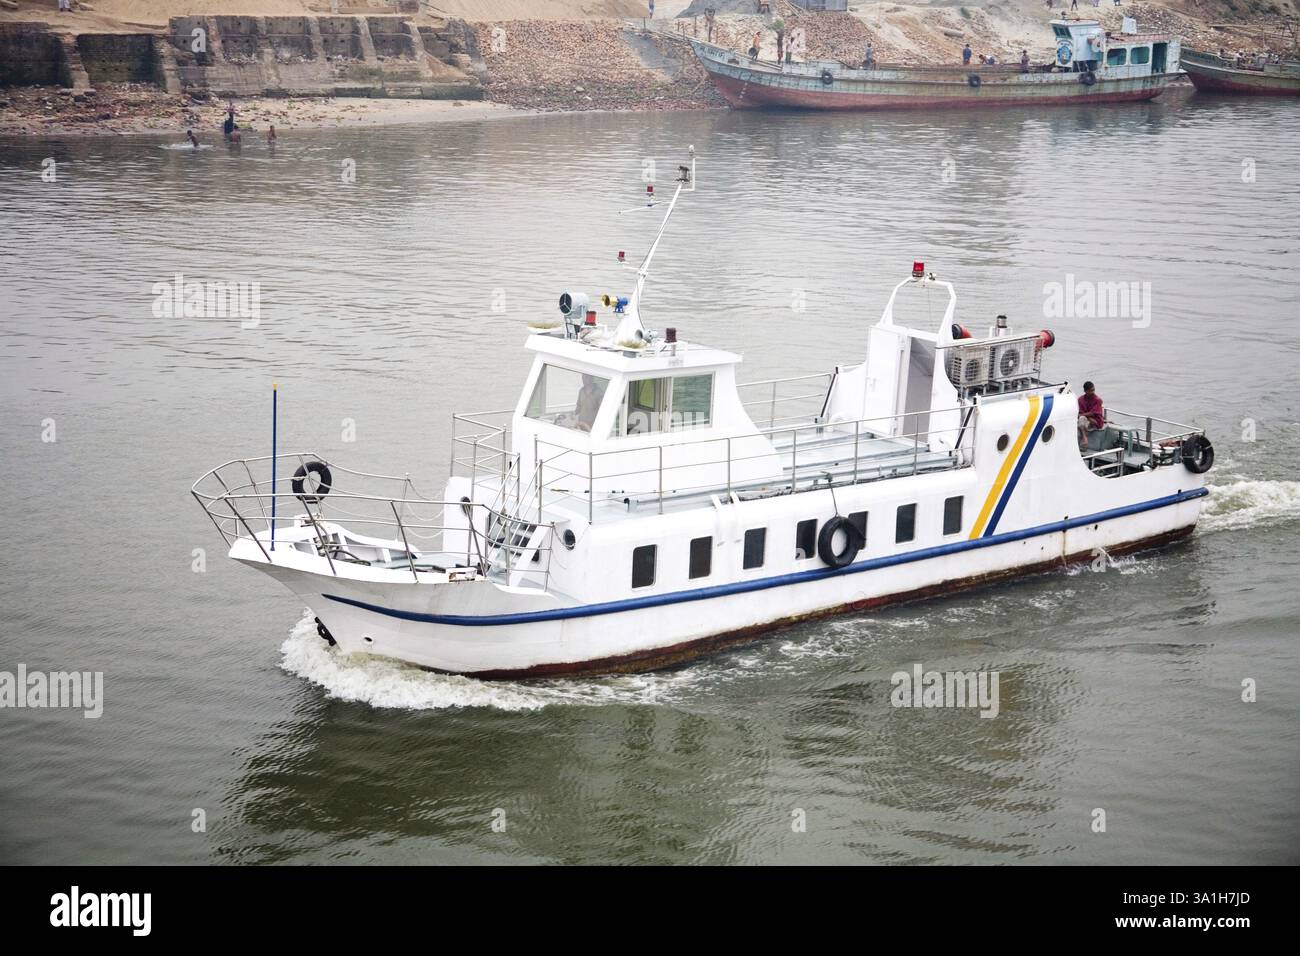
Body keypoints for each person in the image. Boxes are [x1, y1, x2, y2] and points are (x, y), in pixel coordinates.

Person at [1077, 381, 1105, 449]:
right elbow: (1080, 412)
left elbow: (1093, 413)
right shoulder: (1080, 399)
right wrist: (1086, 417)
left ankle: (1084, 440)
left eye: (1093, 390)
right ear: (1085, 391)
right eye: (1090, 391)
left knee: (1081, 419)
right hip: (1086, 419)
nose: (1092, 392)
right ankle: (1084, 439)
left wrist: (1084, 416)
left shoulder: (1098, 400)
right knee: (1080, 421)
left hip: (1096, 421)